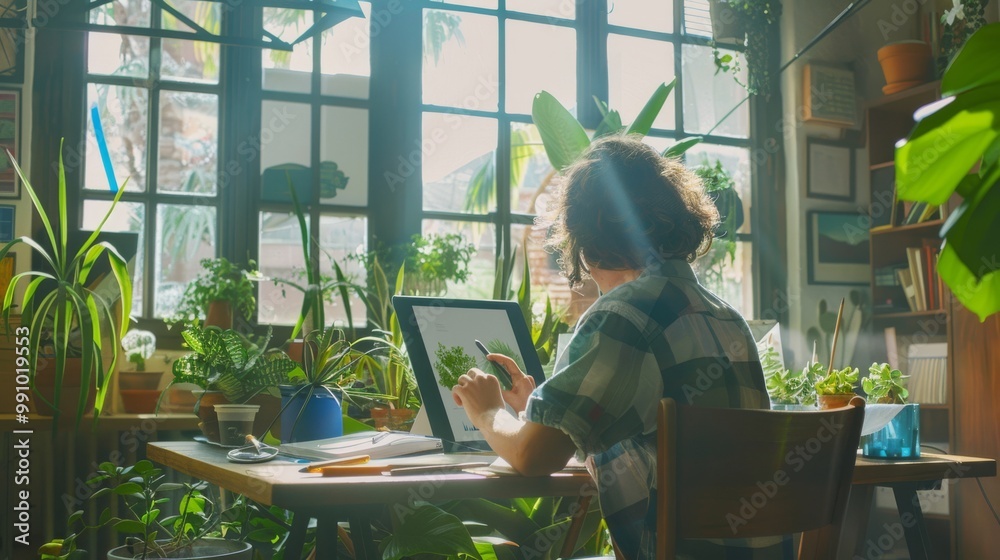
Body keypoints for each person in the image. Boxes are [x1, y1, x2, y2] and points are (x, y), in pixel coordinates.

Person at [451, 135, 790, 559]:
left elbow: (535, 456)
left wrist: (487, 412)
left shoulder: (623, 315)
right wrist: (532, 411)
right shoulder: (728, 319)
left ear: (588, 240)